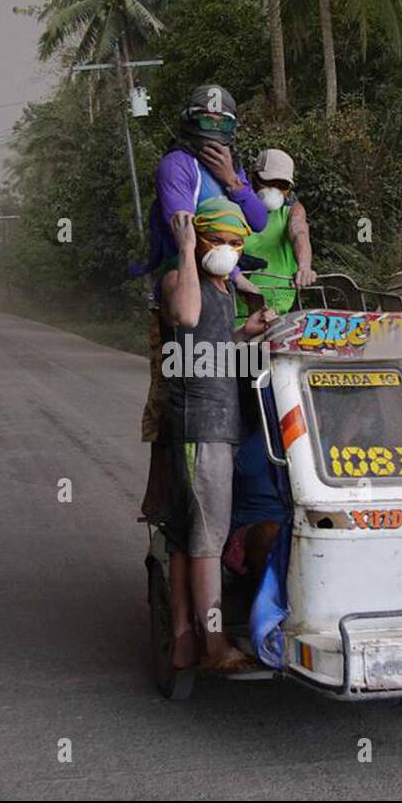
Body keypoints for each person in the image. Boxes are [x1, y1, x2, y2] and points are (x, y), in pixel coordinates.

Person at [159, 197, 276, 674]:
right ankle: (214, 646)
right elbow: (186, 318)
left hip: (217, 425)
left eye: (234, 242)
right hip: (199, 427)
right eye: (217, 239)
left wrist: (247, 330)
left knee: (192, 539)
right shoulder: (179, 280)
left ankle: (186, 638)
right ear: (199, 236)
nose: (226, 250)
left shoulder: (222, 289)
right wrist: (185, 249)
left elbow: (211, 352)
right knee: (208, 539)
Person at [139, 85, 267, 517]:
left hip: (222, 289)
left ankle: (235, 489)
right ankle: (162, 496)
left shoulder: (234, 170)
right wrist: (231, 271)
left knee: (231, 381)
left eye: (221, 124)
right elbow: (187, 232)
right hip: (184, 284)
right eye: (206, 122)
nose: (213, 133)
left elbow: (257, 221)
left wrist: (233, 181)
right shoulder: (177, 166)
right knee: (172, 391)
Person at [236, 148, 317, 325]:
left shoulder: (292, 211)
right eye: (268, 182)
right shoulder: (234, 209)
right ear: (253, 177)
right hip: (233, 313)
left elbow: (299, 232)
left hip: (278, 316)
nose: (275, 190)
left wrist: (304, 266)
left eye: (283, 186)